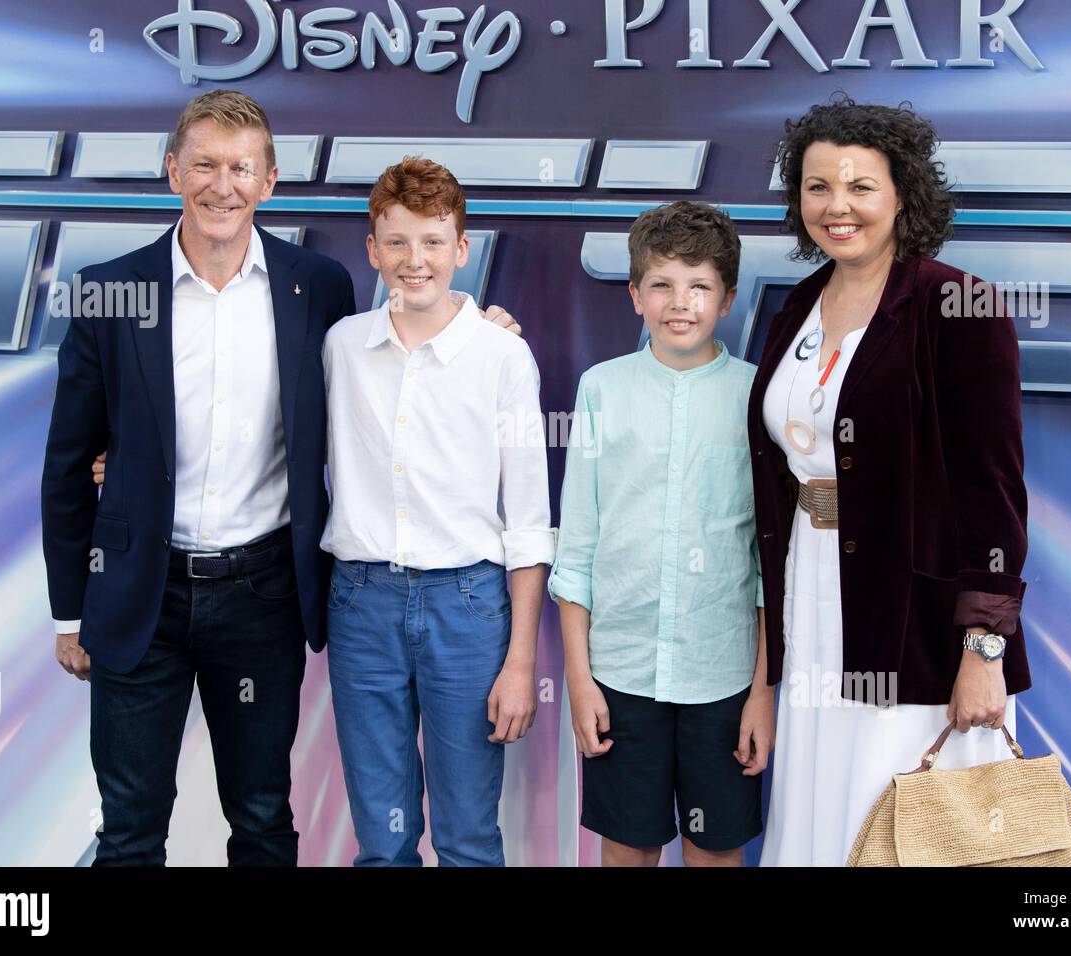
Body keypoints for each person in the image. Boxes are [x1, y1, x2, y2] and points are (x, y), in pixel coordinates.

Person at [48, 92, 519, 866]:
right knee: (130, 825)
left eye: (241, 167)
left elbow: (405, 347)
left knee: (264, 816)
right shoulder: (111, 291)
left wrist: (483, 326)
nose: (221, 185)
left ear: (269, 180)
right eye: (204, 164)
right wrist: (69, 609)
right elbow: (69, 463)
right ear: (173, 171)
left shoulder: (318, 287)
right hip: (140, 594)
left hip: (261, 594)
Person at [749, 95, 1032, 867]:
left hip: (909, 619)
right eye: (816, 187)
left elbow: (993, 493)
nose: (836, 207)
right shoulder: (799, 306)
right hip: (811, 593)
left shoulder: (958, 305)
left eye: (859, 187)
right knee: (819, 804)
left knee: (899, 815)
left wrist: (984, 646)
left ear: (902, 193)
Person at [319, 157, 555, 866]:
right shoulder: (342, 348)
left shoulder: (502, 356)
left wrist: (520, 662)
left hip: (469, 604)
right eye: (396, 243)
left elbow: (529, 520)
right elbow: (277, 438)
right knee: (383, 838)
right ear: (373, 251)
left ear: (461, 248)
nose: (413, 260)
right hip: (363, 602)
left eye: (431, 242)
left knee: (468, 836)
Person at [550, 201, 774, 867]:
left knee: (716, 851)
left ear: (728, 298)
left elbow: (769, 564)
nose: (681, 303)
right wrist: (580, 680)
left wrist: (763, 694)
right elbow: (578, 545)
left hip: (724, 678)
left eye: (700, 286)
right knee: (628, 848)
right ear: (635, 295)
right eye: (663, 285)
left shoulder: (757, 397)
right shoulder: (601, 390)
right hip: (620, 674)